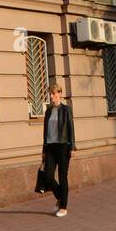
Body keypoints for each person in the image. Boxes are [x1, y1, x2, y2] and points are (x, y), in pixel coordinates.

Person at [40, 83, 77, 216]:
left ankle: (63, 207)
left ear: (60, 94)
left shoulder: (66, 109)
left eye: (54, 94)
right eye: (50, 94)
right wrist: (43, 150)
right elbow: (45, 132)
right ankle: (61, 197)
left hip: (63, 146)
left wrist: (72, 147)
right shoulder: (48, 111)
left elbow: (71, 129)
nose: (52, 96)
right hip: (50, 147)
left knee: (62, 176)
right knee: (48, 176)